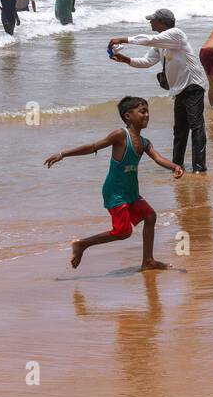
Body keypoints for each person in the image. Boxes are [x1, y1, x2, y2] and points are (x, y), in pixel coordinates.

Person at [43, 96, 180, 271]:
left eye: (147, 111)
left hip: (131, 192)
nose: (147, 115)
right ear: (128, 116)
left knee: (150, 216)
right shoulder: (120, 135)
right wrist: (63, 154)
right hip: (115, 192)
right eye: (142, 111)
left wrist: (175, 166)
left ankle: (148, 261)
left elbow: (157, 158)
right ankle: (82, 244)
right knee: (123, 232)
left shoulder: (145, 142)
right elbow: (93, 146)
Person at [109, 8, 208, 172]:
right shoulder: (160, 45)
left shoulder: (176, 34)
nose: (150, 22)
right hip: (179, 89)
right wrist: (126, 60)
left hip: (193, 85)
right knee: (179, 129)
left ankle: (199, 167)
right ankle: (177, 165)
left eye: (153, 20)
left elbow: (150, 39)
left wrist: (122, 39)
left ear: (162, 22)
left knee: (196, 126)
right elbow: (147, 61)